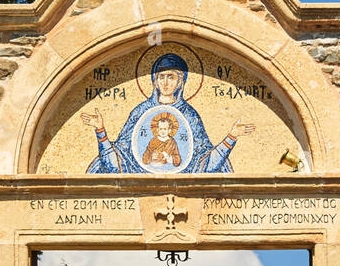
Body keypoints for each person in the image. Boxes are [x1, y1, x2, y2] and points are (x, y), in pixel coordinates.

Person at [83, 51, 253, 174]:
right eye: (161, 77)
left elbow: (206, 166)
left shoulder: (190, 116)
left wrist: (232, 136)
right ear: (154, 81)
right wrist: (100, 130)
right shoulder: (140, 112)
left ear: (181, 82)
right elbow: (116, 165)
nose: (165, 83)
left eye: (171, 77)